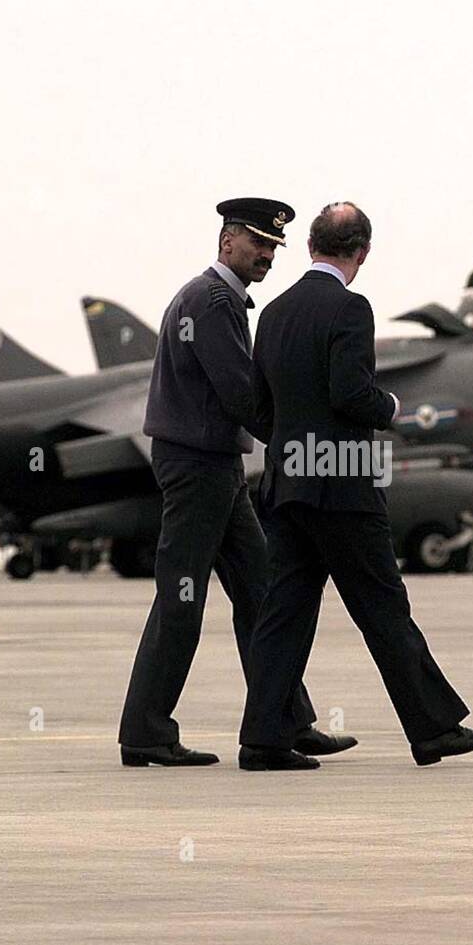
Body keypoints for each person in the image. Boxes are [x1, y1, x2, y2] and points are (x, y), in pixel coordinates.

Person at [238, 201, 473, 770]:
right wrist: (392, 407)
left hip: (287, 484)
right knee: (383, 608)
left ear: (310, 246)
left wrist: (291, 444)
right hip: (342, 484)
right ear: (361, 252)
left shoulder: (274, 313)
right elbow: (350, 394)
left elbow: (259, 408)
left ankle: (262, 739)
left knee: (283, 613)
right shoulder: (351, 308)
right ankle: (433, 730)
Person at [118, 198, 357, 768]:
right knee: (182, 599)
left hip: (216, 466)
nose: (268, 255)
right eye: (258, 243)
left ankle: (286, 721)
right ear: (228, 240)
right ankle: (146, 732)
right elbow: (239, 392)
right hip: (198, 468)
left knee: (261, 594)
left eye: (275, 247)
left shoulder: (210, 297)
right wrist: (299, 439)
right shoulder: (216, 299)